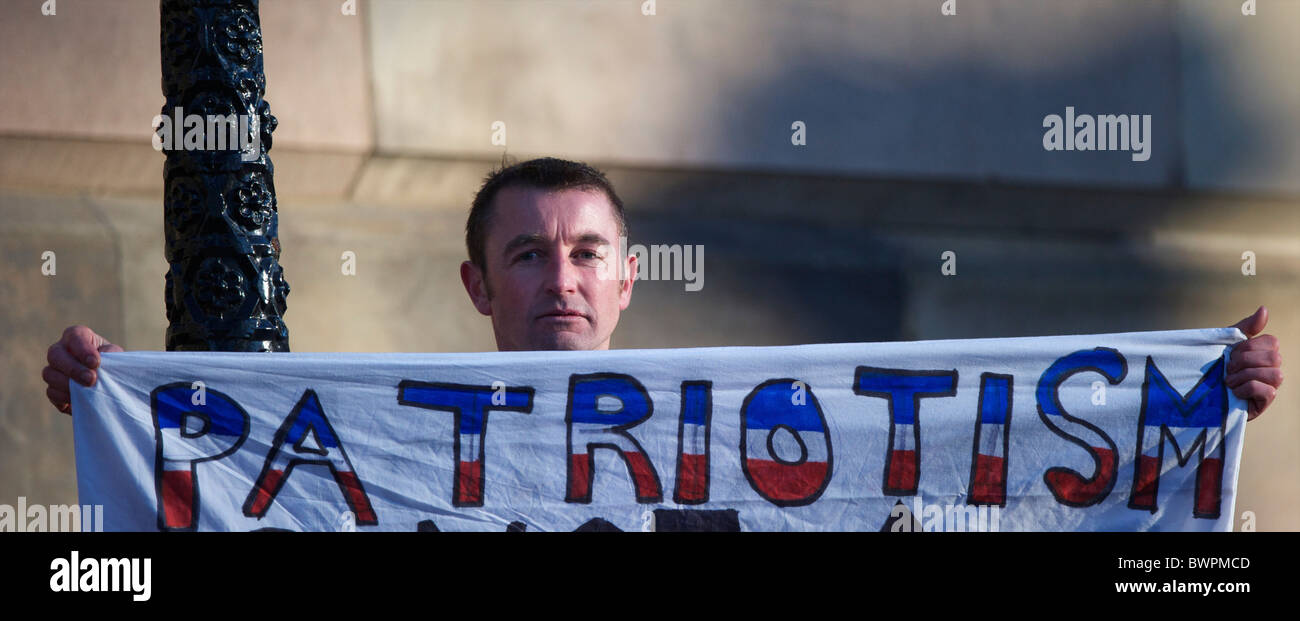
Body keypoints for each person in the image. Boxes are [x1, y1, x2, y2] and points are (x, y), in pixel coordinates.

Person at [43, 157, 1283, 420]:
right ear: (479, 287)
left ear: (628, 281)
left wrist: (1182, 406)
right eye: (527, 255)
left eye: (585, 254)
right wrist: (115, 409)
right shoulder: (381, 434)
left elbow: (980, 462)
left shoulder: (760, 426)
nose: (561, 279)